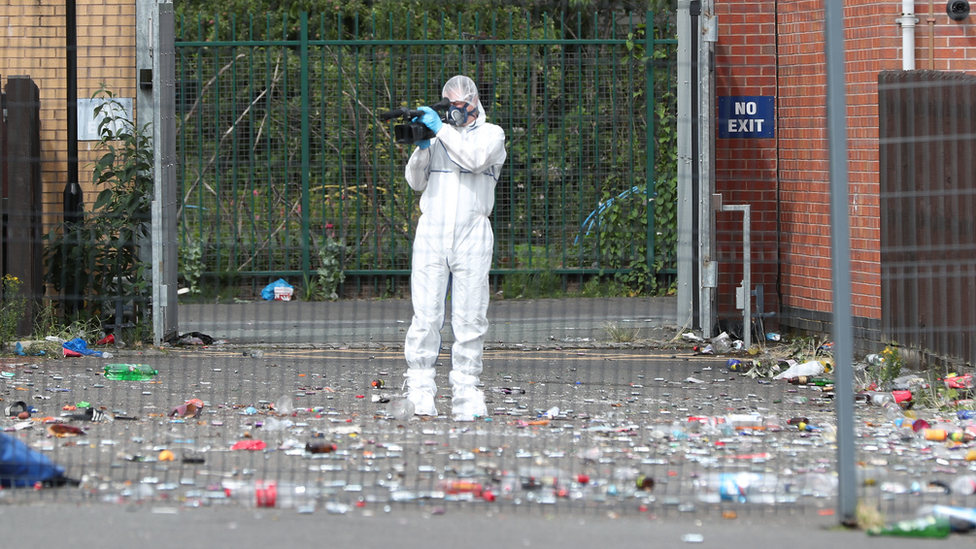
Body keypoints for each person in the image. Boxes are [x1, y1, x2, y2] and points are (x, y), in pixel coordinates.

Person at [401, 75, 507, 421]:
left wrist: (440, 131)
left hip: (473, 230)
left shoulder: (493, 135)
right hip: (432, 230)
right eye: (448, 106)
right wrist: (422, 147)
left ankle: (467, 391)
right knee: (426, 315)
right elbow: (416, 183)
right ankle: (419, 390)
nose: (454, 112)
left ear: (474, 104)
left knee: (470, 317)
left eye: (460, 106)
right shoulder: (438, 136)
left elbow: (475, 159)